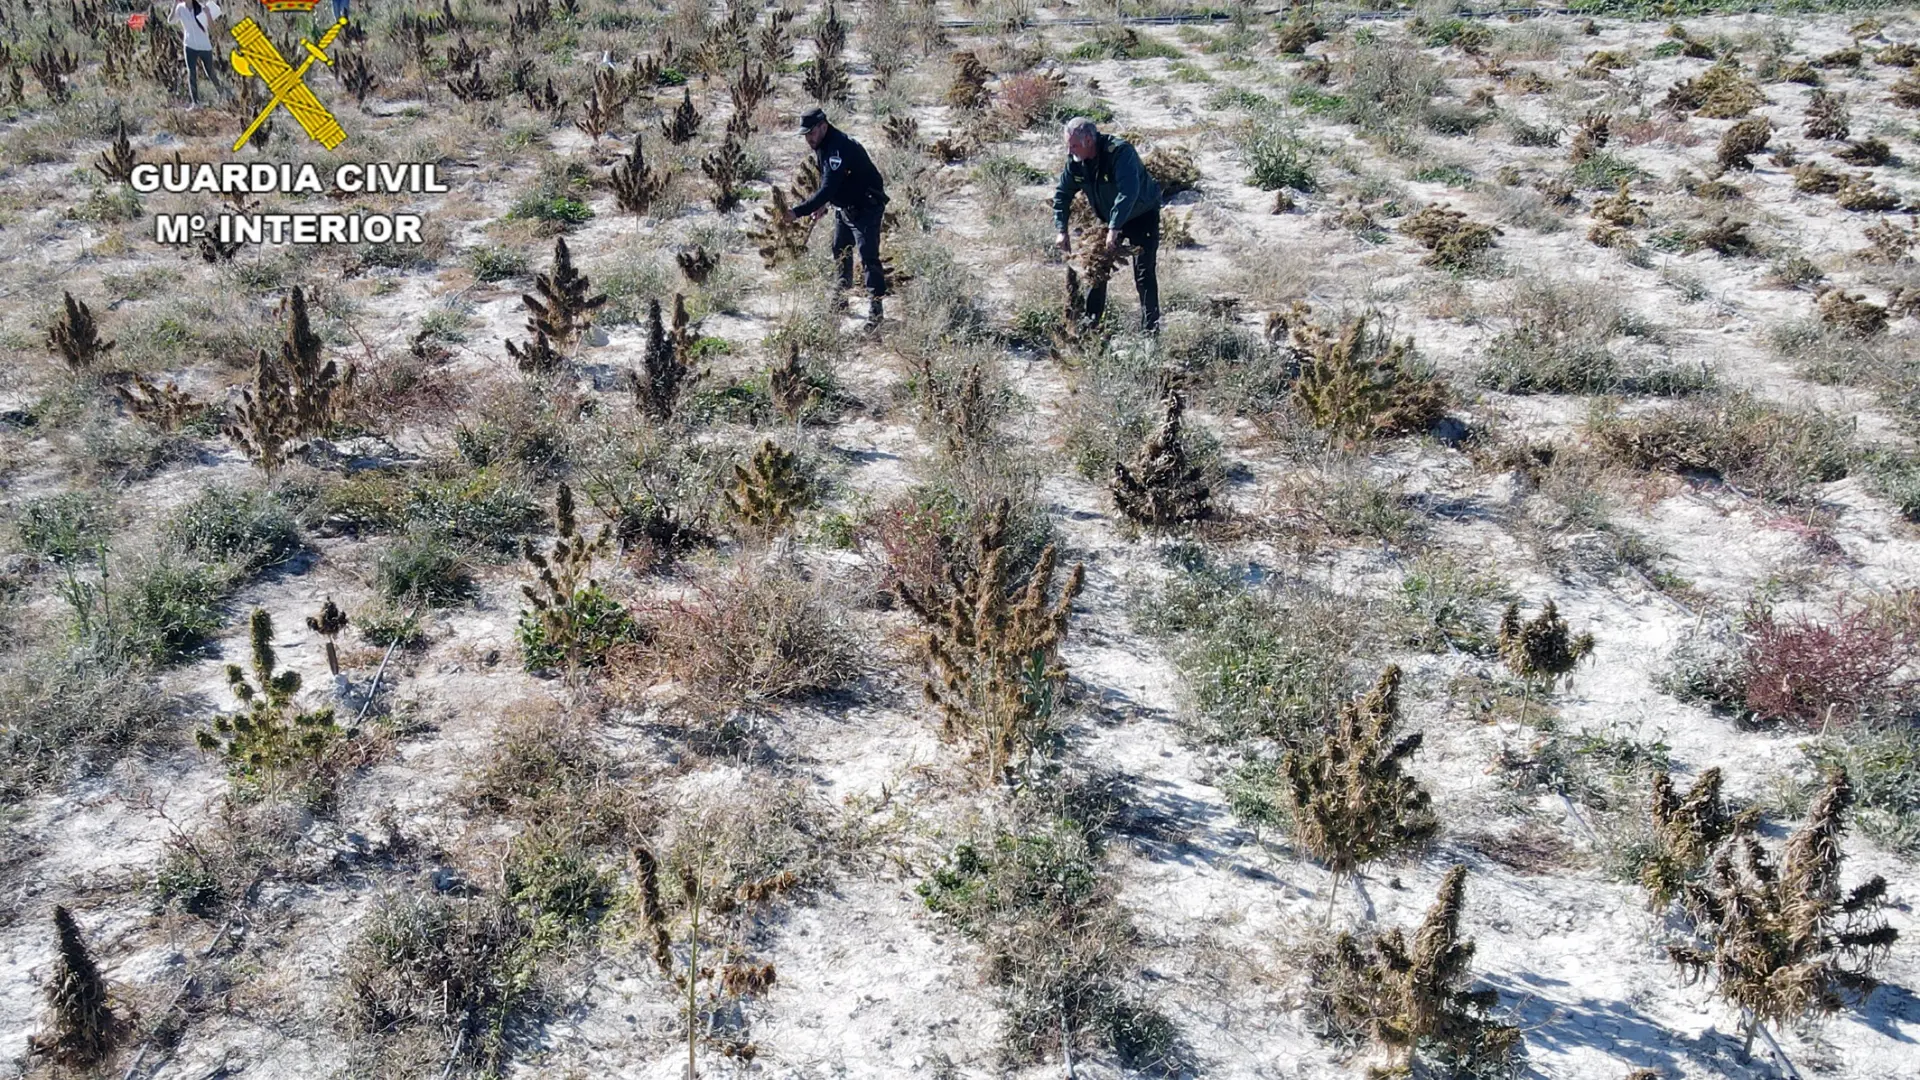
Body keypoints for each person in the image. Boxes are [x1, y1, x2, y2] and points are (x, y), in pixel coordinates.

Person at [1052, 116, 1163, 333]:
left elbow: (1128, 192)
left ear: (1089, 142)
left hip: (1141, 214)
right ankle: (1091, 326)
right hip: (1108, 218)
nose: (1069, 151)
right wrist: (1061, 230)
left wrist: (1115, 228)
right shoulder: (1076, 162)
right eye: (1068, 145)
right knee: (1096, 268)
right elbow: (1062, 194)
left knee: (1144, 273)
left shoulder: (1120, 153)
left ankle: (1151, 330)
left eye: (1073, 145)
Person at [790, 107, 889, 327]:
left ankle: (876, 311)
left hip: (866, 207)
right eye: (805, 134)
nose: (808, 138)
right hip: (845, 207)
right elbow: (833, 182)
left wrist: (797, 212)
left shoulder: (837, 148)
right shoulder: (823, 144)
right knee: (840, 249)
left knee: (868, 257)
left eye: (811, 133)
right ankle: (841, 297)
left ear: (823, 126)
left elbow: (828, 187)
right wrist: (824, 204)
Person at [170, 0, 224, 109]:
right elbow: (170, 21)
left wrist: (208, 14)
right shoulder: (180, 8)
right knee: (191, 73)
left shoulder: (201, 8)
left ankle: (223, 94)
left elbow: (212, 29)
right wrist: (175, 4)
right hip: (189, 45)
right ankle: (195, 102)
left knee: (209, 71)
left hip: (204, 45)